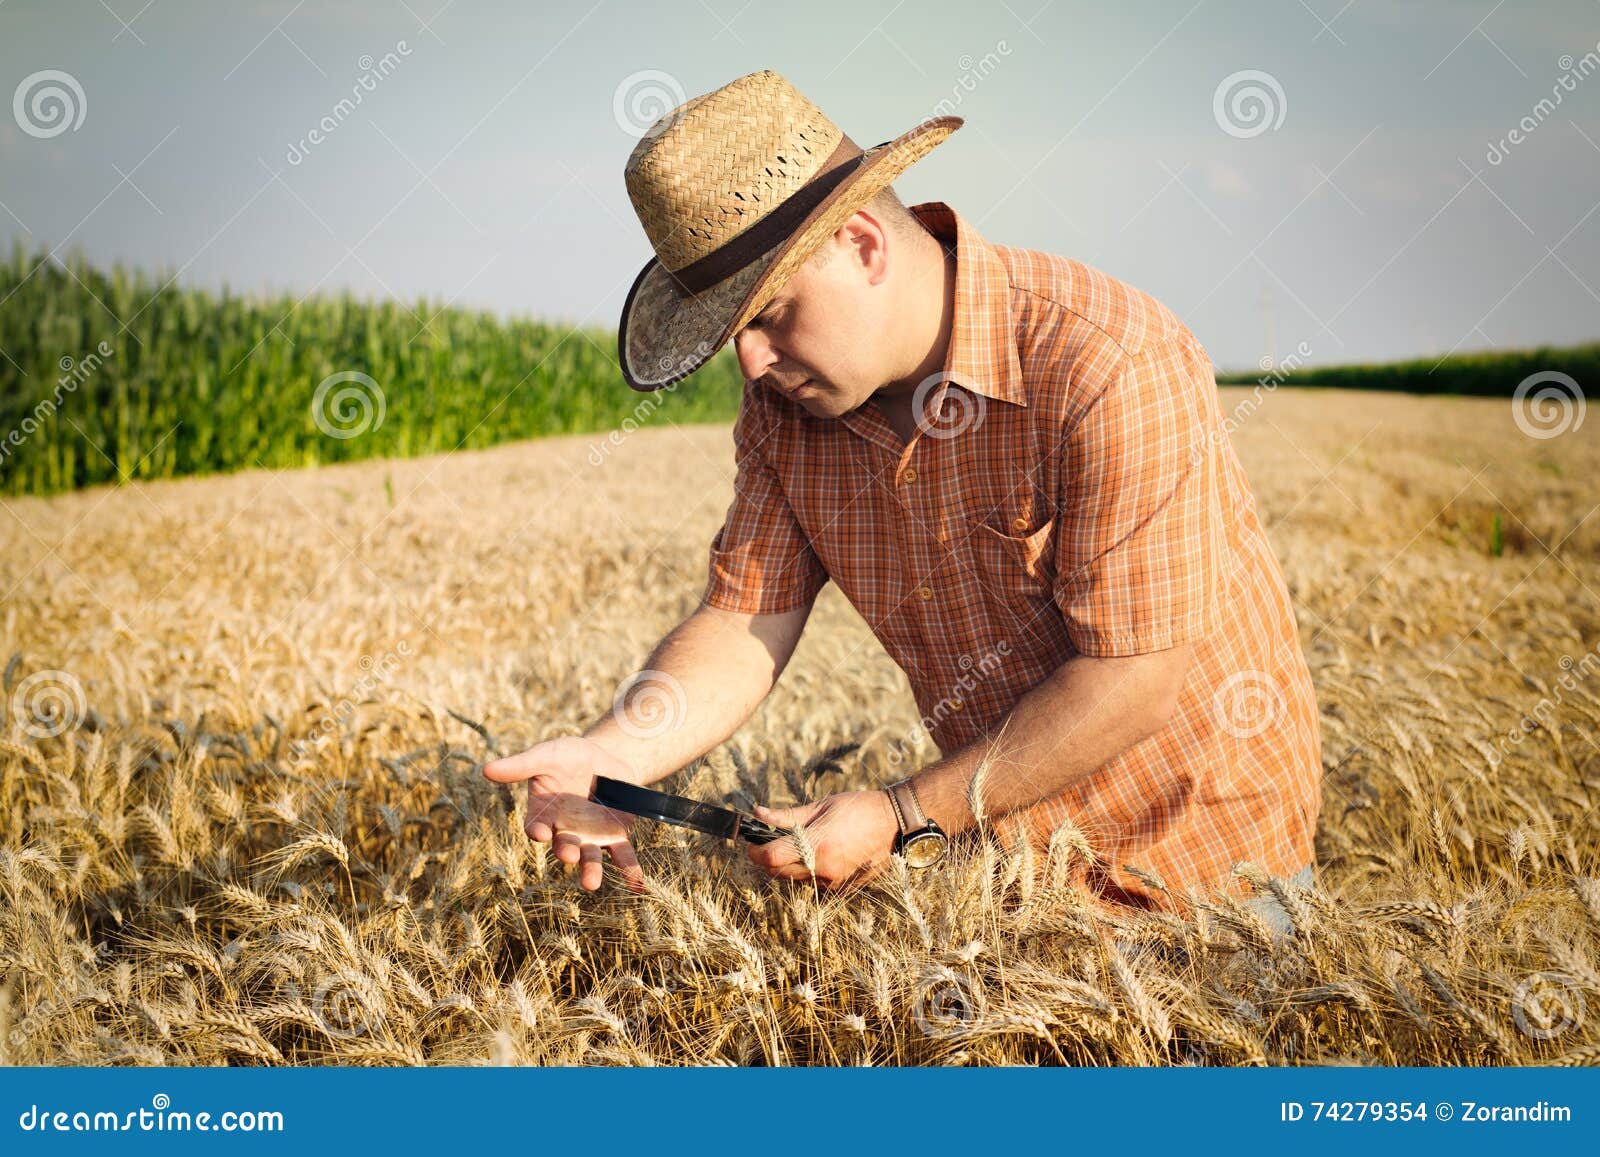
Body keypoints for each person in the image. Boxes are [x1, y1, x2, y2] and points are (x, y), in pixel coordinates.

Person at [482, 69, 1322, 922]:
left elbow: (1134, 679)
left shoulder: (1107, 363)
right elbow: (744, 620)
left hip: (1212, 876)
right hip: (1008, 876)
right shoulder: (787, 410)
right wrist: (612, 753)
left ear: (864, 245)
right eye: (737, 336)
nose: (752, 362)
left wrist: (901, 815)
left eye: (769, 314)